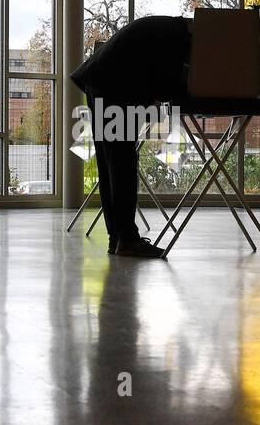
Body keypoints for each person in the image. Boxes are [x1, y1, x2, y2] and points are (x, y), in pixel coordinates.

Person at [71, 16, 191, 258]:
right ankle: (127, 239)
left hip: (100, 80)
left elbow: (154, 77)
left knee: (110, 165)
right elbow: (170, 83)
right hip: (115, 85)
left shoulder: (168, 29)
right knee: (122, 163)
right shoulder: (181, 40)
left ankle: (117, 237)